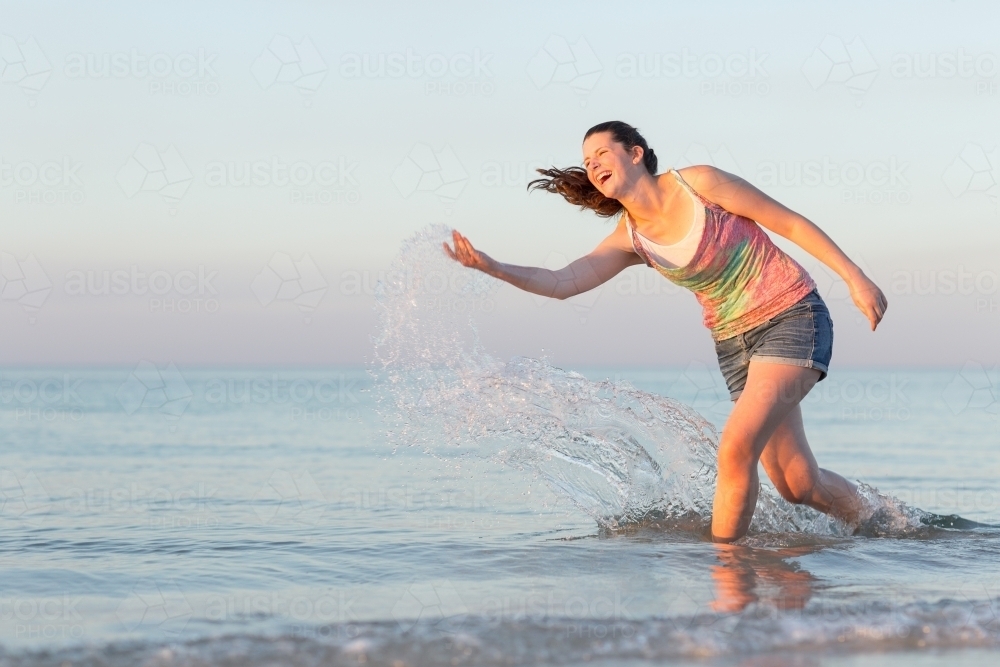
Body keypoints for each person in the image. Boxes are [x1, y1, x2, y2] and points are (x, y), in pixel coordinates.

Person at [442, 120, 888, 543]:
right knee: (796, 483)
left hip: (791, 315)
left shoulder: (700, 185)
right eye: (587, 160)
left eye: (602, 152)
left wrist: (854, 277)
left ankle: (728, 575)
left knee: (734, 447)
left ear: (635, 154)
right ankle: (883, 522)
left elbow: (787, 222)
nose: (593, 164)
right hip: (736, 347)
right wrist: (493, 267)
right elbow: (563, 282)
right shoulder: (630, 237)